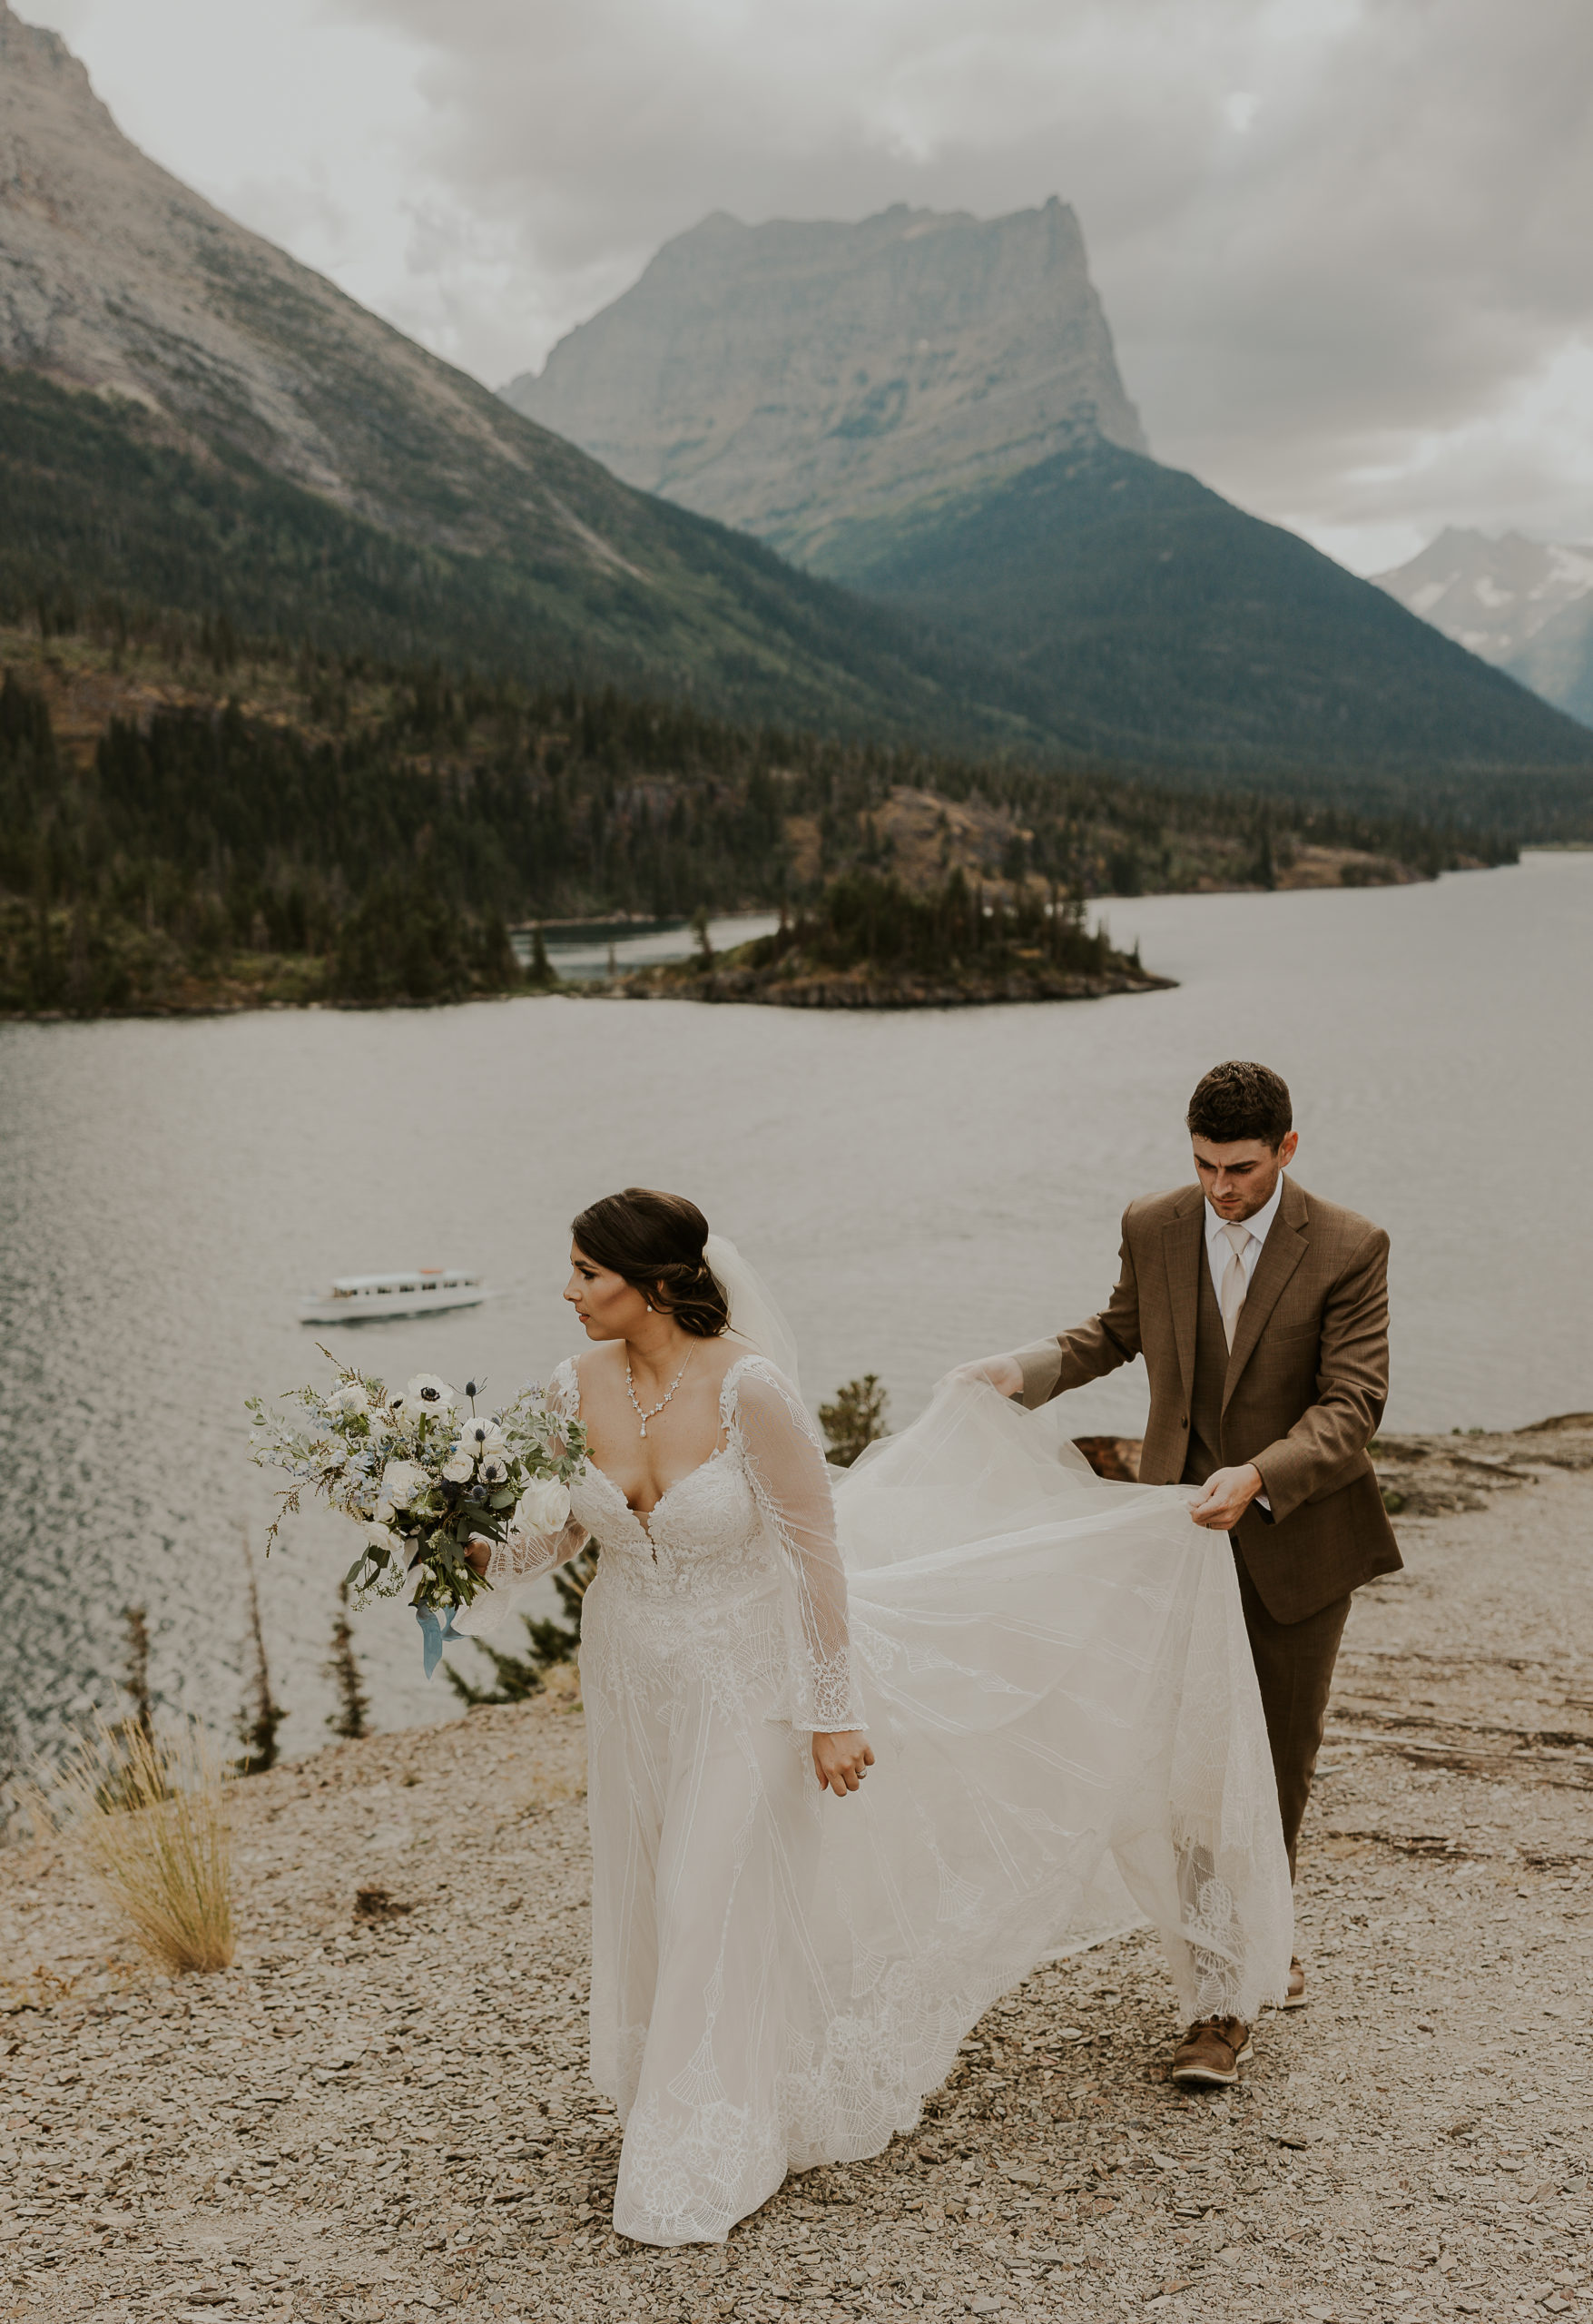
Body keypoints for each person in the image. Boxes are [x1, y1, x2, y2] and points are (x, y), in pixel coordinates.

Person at [461, 1186, 1293, 2247]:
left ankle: (710, 2133)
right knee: (654, 1881)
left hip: (747, 1677)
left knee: (703, 1887)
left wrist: (831, 1712)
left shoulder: (748, 1390)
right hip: (633, 1679)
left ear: (659, 1284)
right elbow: (556, 1539)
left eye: (588, 1273)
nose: (567, 1290)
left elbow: (815, 1553)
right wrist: (460, 1548)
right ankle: (677, 2080)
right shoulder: (567, 1386)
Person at [949, 1059, 1399, 2090]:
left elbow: (1353, 1403)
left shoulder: (1349, 1245)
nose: (1219, 1189)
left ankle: (1243, 1968)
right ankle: (1219, 1997)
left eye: (1240, 1168)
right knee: (1183, 1768)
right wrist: (1012, 1375)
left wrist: (1259, 1473)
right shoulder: (1153, 1223)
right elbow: (1112, 1334)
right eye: (1202, 1165)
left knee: (1271, 1765)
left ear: (1287, 1150)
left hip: (1295, 1542)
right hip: (1170, 1541)